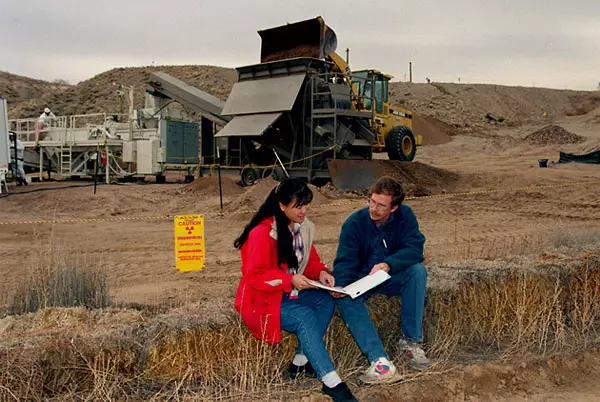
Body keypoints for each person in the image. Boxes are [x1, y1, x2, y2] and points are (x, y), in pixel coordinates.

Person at [234, 177, 358, 402]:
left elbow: (310, 261)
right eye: (298, 206)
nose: (304, 211)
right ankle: (331, 381)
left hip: (286, 295)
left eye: (306, 205)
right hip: (261, 300)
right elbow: (254, 276)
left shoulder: (303, 228)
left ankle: (300, 362)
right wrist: (289, 280)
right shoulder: (262, 234)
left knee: (326, 301)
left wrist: (321, 273)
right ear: (281, 206)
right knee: (304, 316)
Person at [332, 176, 430, 384]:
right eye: (372, 201)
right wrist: (341, 284)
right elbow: (345, 260)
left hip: (388, 276)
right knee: (344, 298)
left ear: (394, 208)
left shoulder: (406, 216)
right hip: (361, 280)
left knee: (417, 272)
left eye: (381, 206)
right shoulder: (354, 223)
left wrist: (388, 264)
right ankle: (380, 362)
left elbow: (415, 248)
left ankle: (410, 345)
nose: (374, 209)